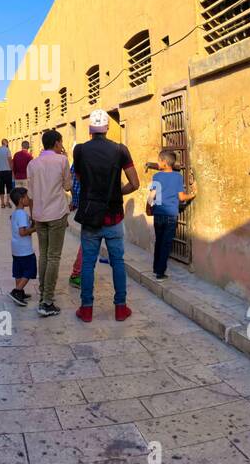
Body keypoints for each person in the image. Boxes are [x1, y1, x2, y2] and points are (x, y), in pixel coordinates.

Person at [72, 109, 138, 322]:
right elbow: (135, 183)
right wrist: (118, 192)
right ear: (107, 128)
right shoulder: (121, 150)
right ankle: (120, 308)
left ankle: (87, 309)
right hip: (114, 216)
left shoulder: (80, 151)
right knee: (117, 262)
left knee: (88, 263)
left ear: (90, 129)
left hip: (90, 217)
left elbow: (81, 179)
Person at [26, 128, 71, 317]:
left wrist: (33, 215)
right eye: (61, 142)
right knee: (53, 256)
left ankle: (44, 293)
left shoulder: (33, 164)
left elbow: (30, 194)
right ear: (56, 143)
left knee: (43, 254)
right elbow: (68, 186)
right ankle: (47, 301)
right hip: (57, 213)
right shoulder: (62, 160)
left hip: (39, 214)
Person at [149, 149, 195, 279]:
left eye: (159, 160)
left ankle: (155, 267)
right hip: (170, 215)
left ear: (164, 162)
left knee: (159, 241)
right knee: (166, 243)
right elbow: (181, 197)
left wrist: (149, 207)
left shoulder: (156, 176)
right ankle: (160, 272)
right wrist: (192, 195)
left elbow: (151, 196)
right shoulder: (177, 177)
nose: (157, 163)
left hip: (158, 213)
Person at [8, 186, 37, 307]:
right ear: (21, 199)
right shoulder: (21, 214)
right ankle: (17, 291)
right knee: (30, 270)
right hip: (25, 250)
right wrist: (36, 229)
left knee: (18, 271)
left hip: (16, 249)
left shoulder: (15, 213)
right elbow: (23, 232)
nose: (28, 199)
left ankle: (19, 292)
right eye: (26, 197)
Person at [0, 138, 14, 207]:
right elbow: (10, 160)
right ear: (7, 143)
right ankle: (7, 201)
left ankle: (2, 203)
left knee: (1, 187)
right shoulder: (7, 150)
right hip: (7, 171)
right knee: (9, 187)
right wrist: (12, 170)